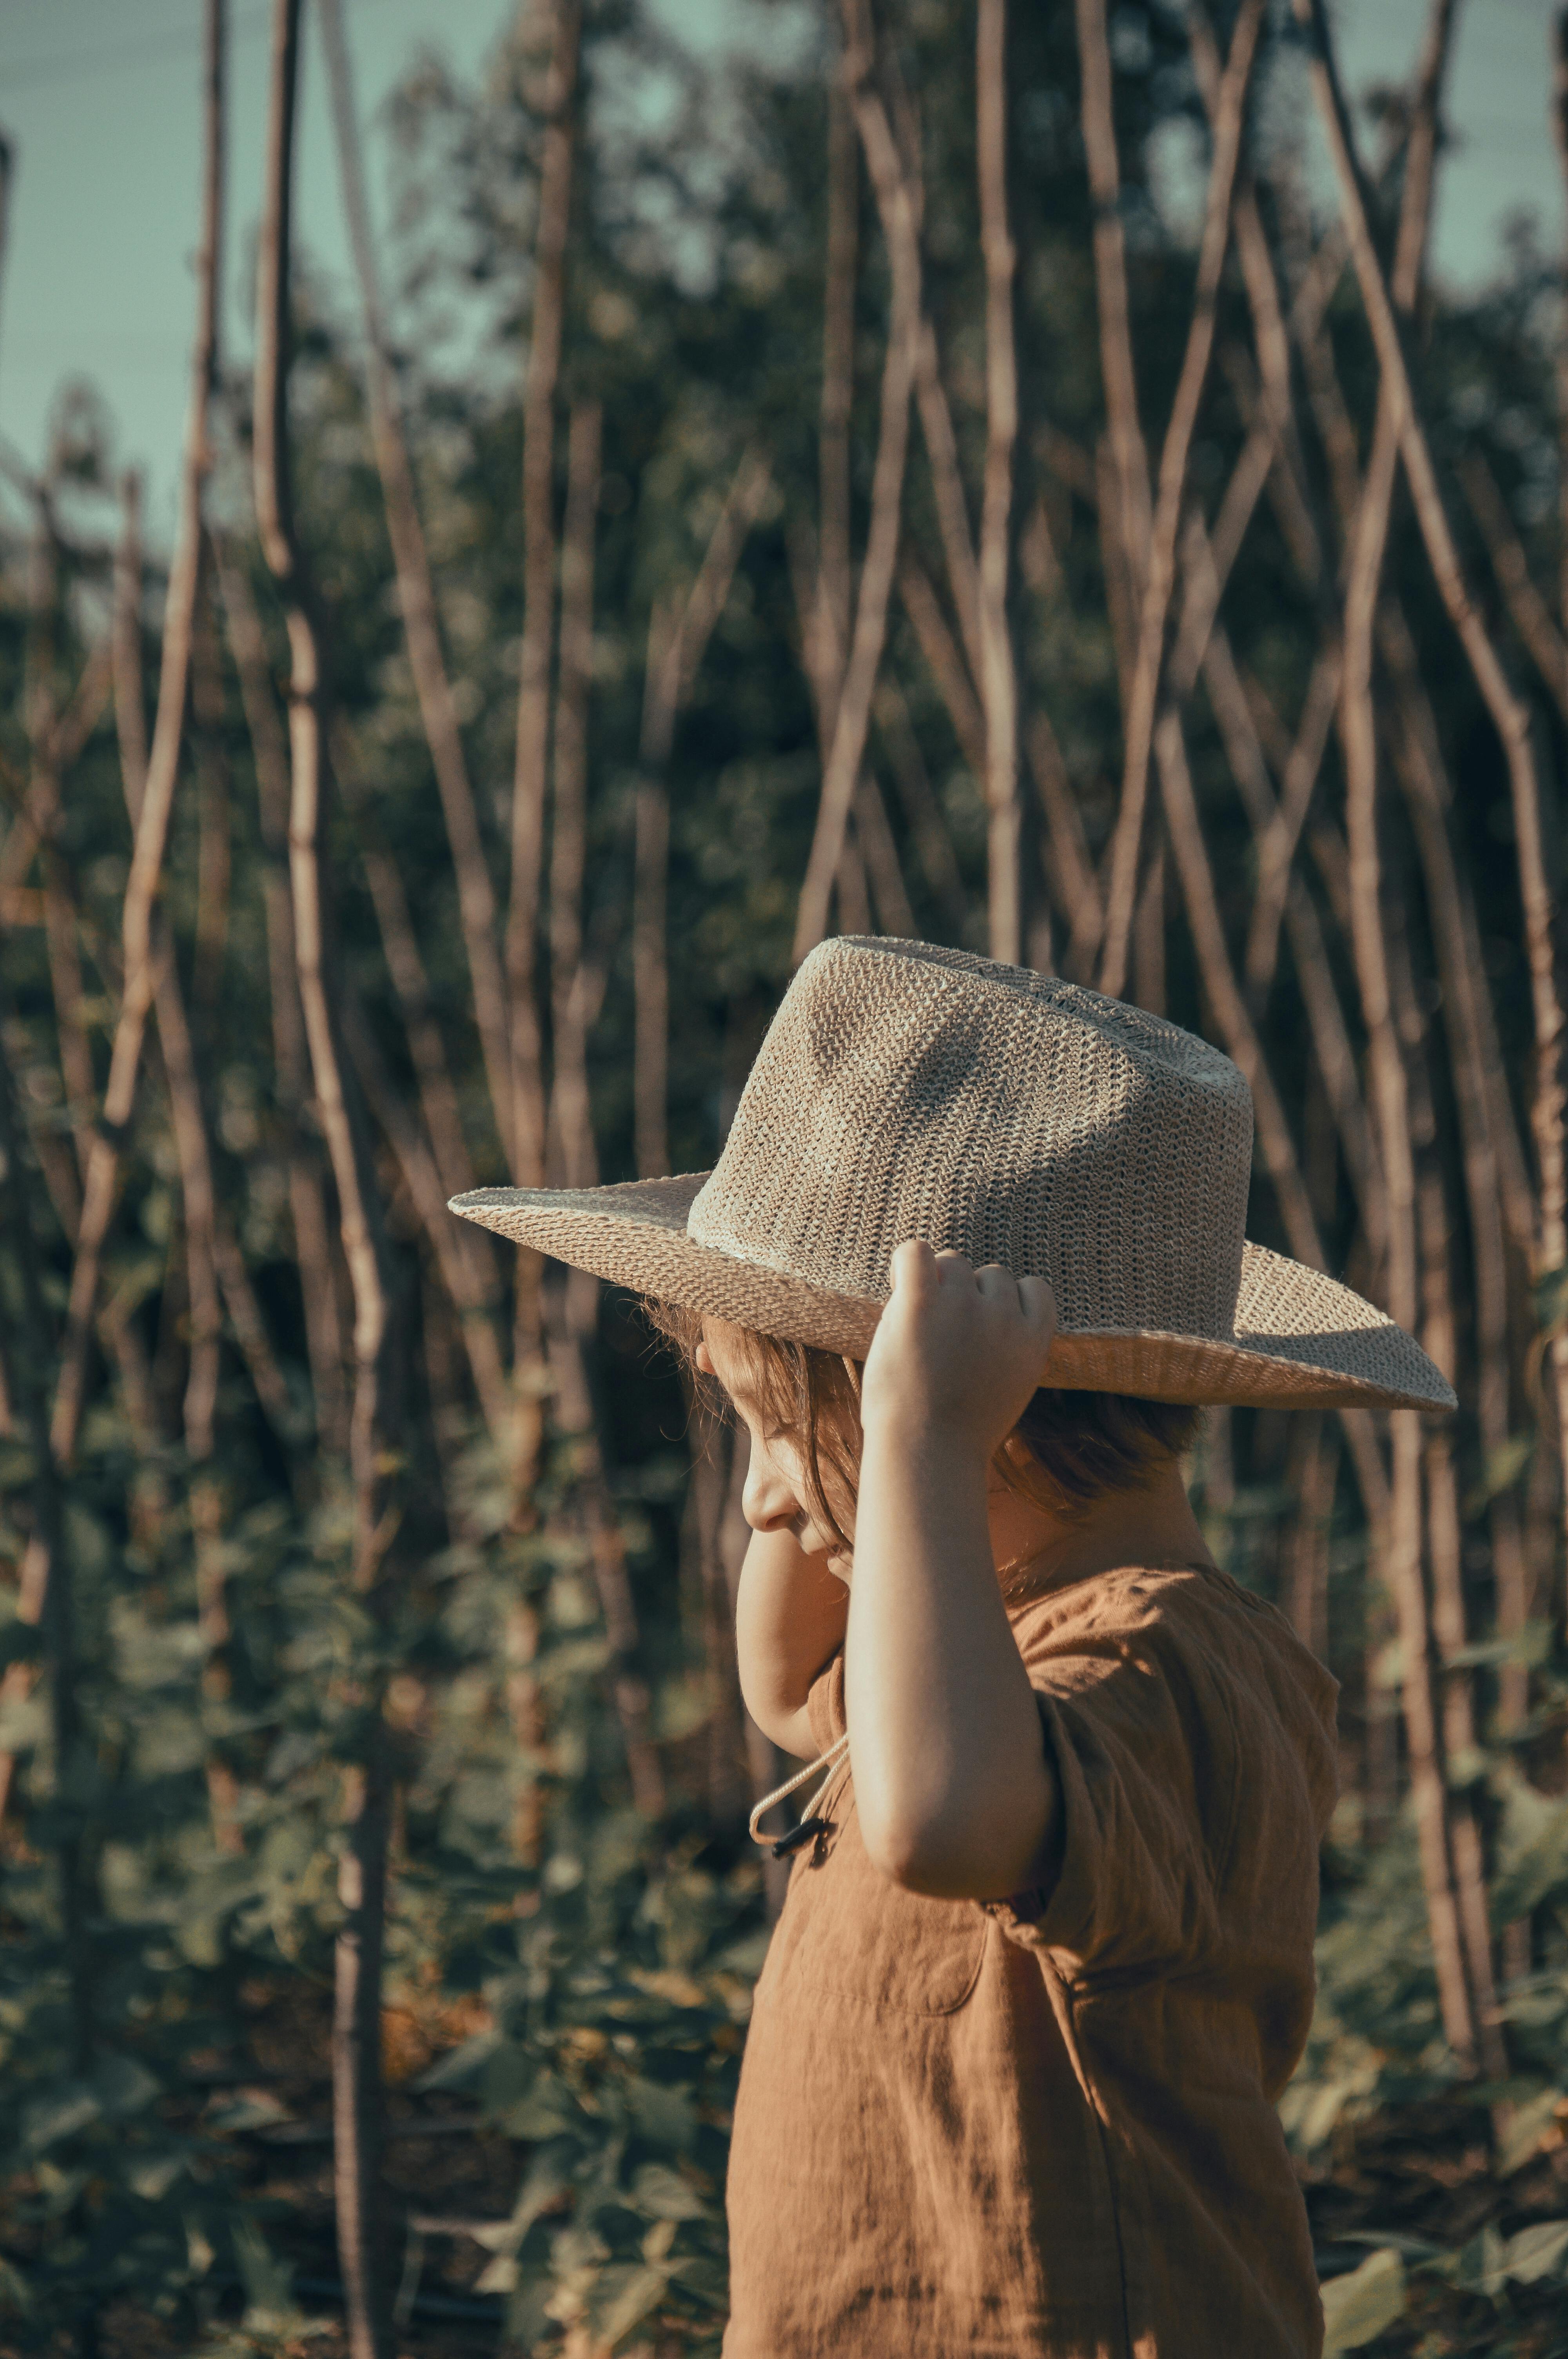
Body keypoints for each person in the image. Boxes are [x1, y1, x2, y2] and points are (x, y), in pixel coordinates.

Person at [450, 936, 1454, 2359]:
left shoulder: (1166, 1664)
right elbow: (790, 1690)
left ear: (985, 1426)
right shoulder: (969, 1666)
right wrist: (843, 1445)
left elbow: (933, 1821)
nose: (760, 1498)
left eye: (791, 1440)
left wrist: (908, 1444)